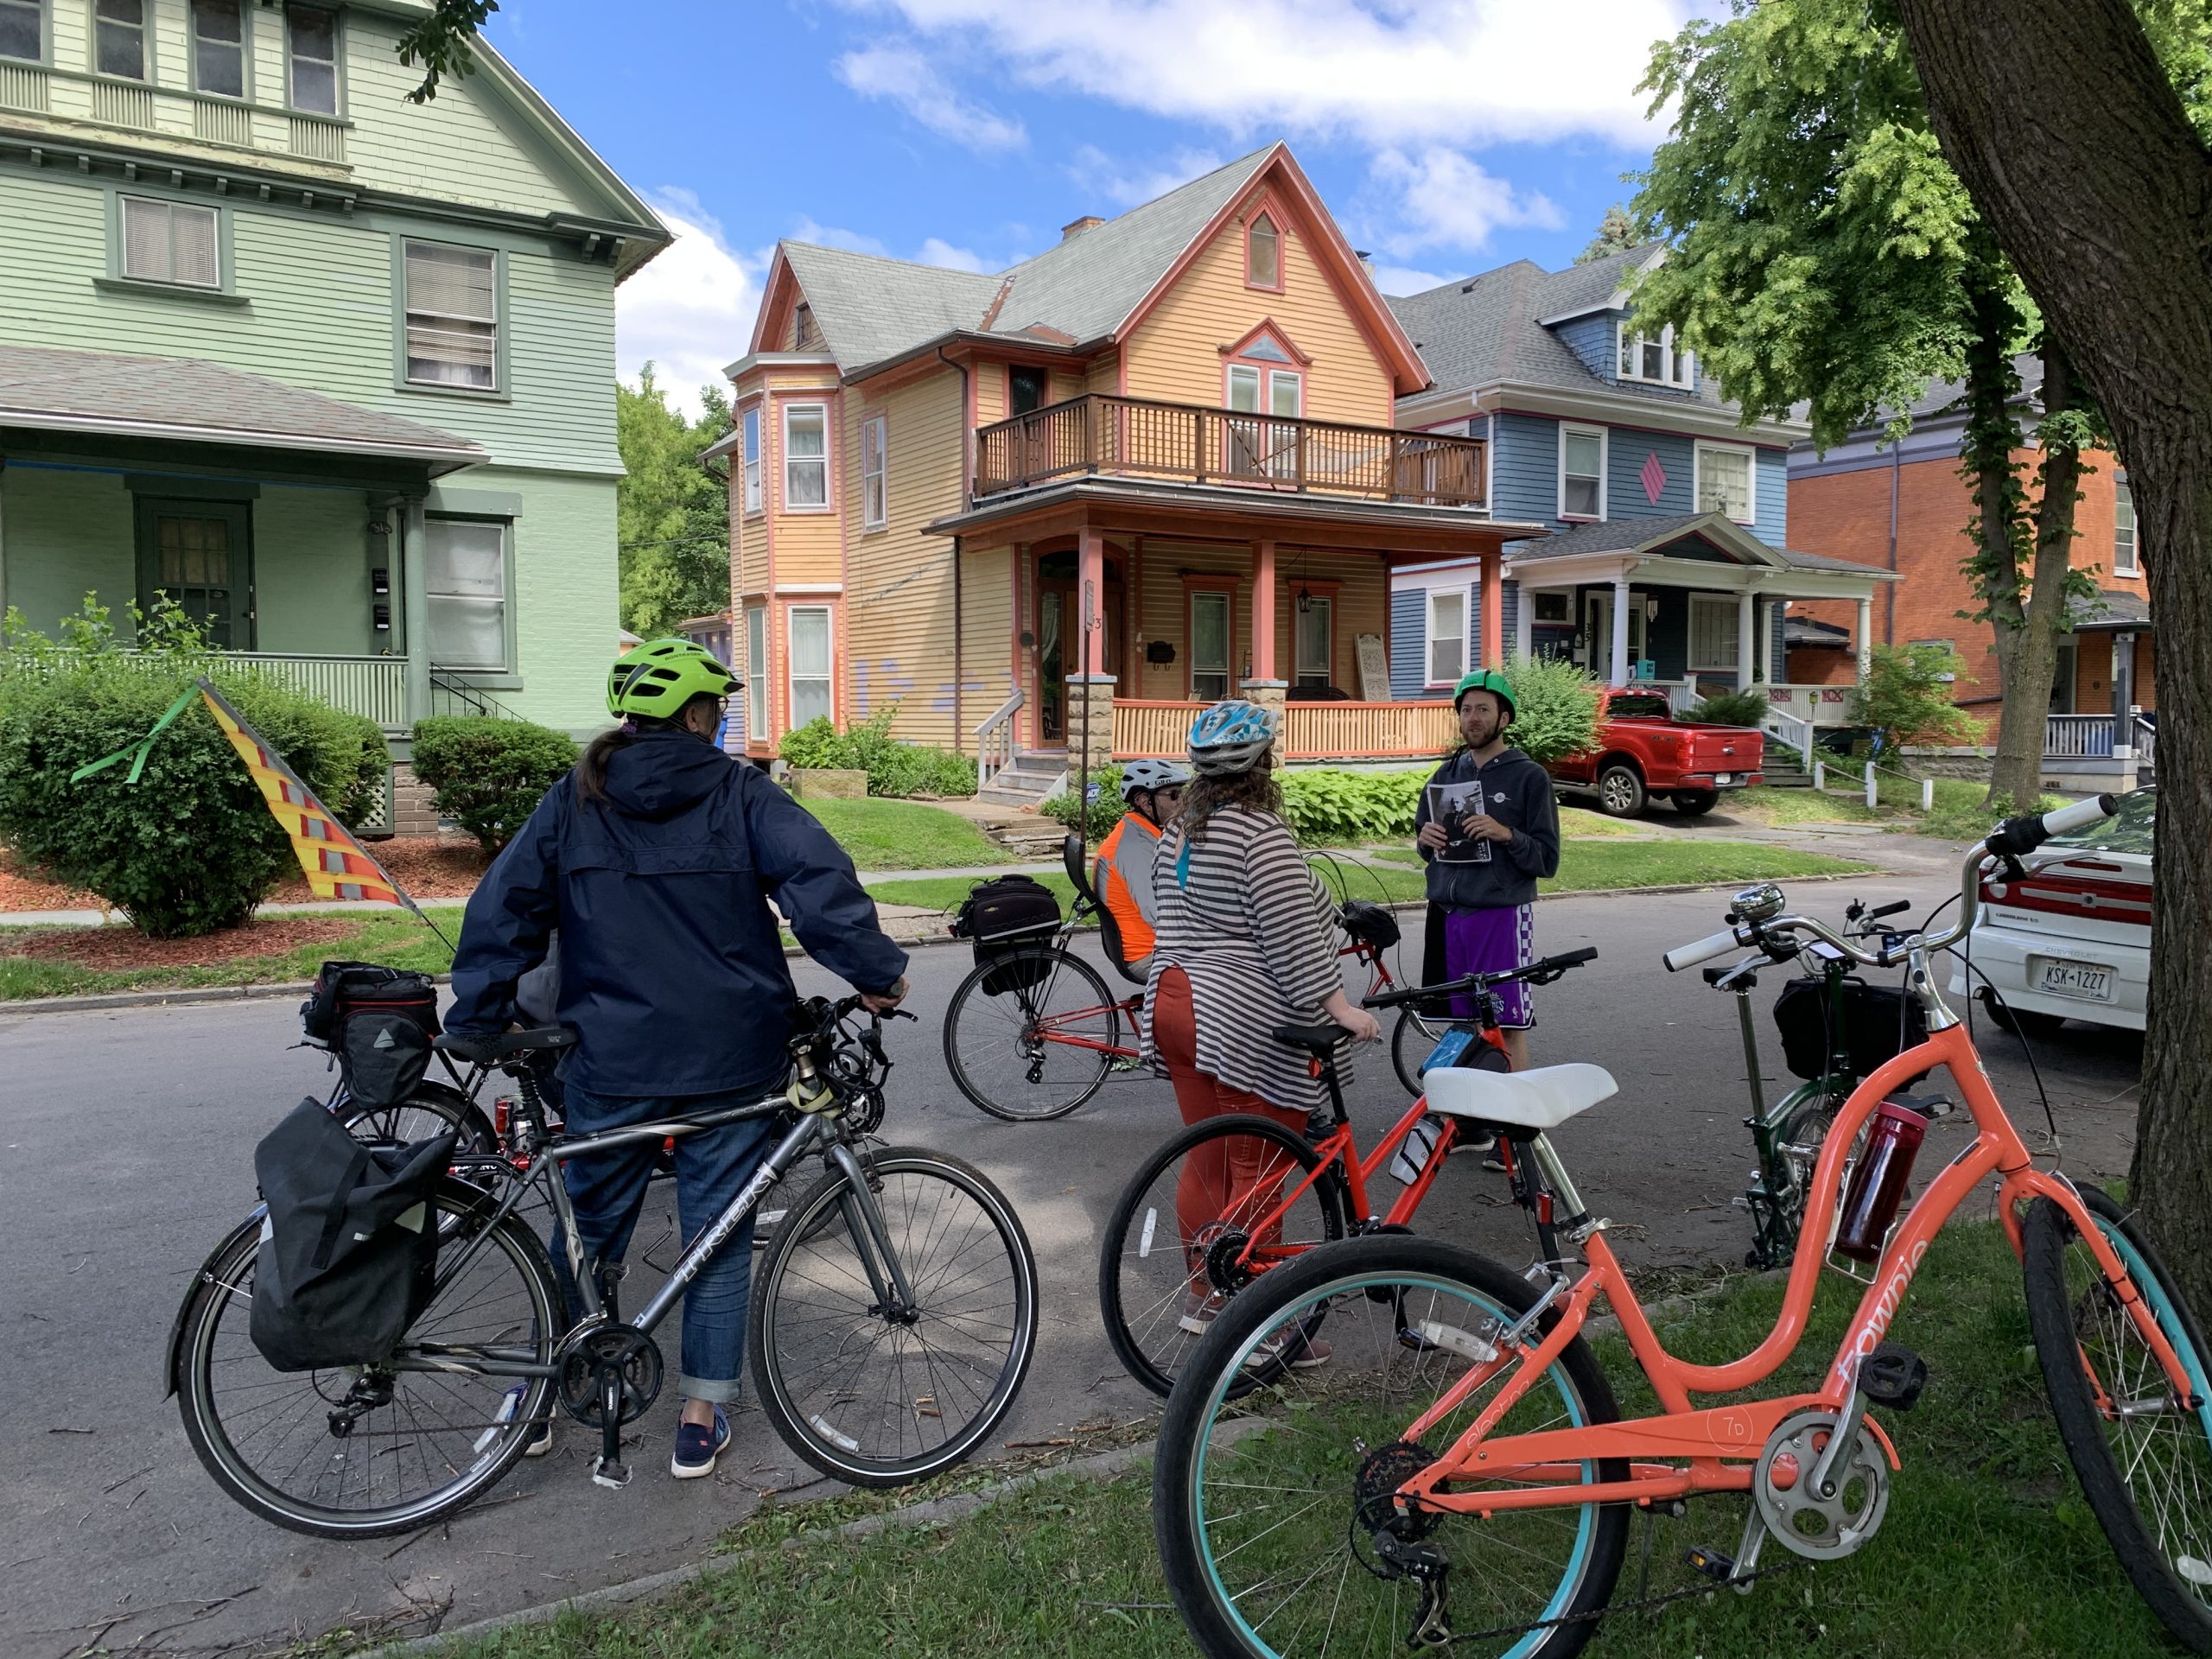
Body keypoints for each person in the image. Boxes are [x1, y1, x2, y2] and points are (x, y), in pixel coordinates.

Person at [445, 639, 910, 1480]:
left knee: (587, 1231)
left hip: (610, 1060)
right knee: (716, 1237)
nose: (722, 721)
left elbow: (504, 905)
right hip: (732, 1059)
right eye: (718, 710)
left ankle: (545, 1393)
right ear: (697, 716)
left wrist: (479, 1013)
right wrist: (877, 975)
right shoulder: (741, 792)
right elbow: (819, 885)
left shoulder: (576, 796)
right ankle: (700, 1415)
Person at [1145, 700, 1381, 1354]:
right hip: (1238, 1014)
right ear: (1266, 762)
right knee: (1261, 1169)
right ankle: (1261, 1328)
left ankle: (1204, 1297)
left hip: (1175, 1000)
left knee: (1209, 1159)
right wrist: (1341, 1008)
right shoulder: (1259, 833)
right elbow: (1291, 934)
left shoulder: (1180, 829)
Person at [1414, 669, 1562, 1075]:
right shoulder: (1446, 775)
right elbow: (1425, 845)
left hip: (1499, 914)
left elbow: (1547, 860)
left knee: (1507, 1025)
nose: (1473, 718)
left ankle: (1516, 1113)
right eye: (1466, 710)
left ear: (1504, 718)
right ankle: (1474, 1109)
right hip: (1447, 914)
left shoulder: (1529, 777)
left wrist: (1505, 834)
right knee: (1464, 1027)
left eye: (1483, 709)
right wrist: (1426, 838)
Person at [1092, 758, 1190, 977]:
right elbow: (1159, 916)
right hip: (1150, 955)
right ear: (1145, 802)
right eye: (1174, 795)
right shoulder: (1135, 848)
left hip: (1156, 946)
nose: (1183, 801)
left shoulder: (1141, 833)